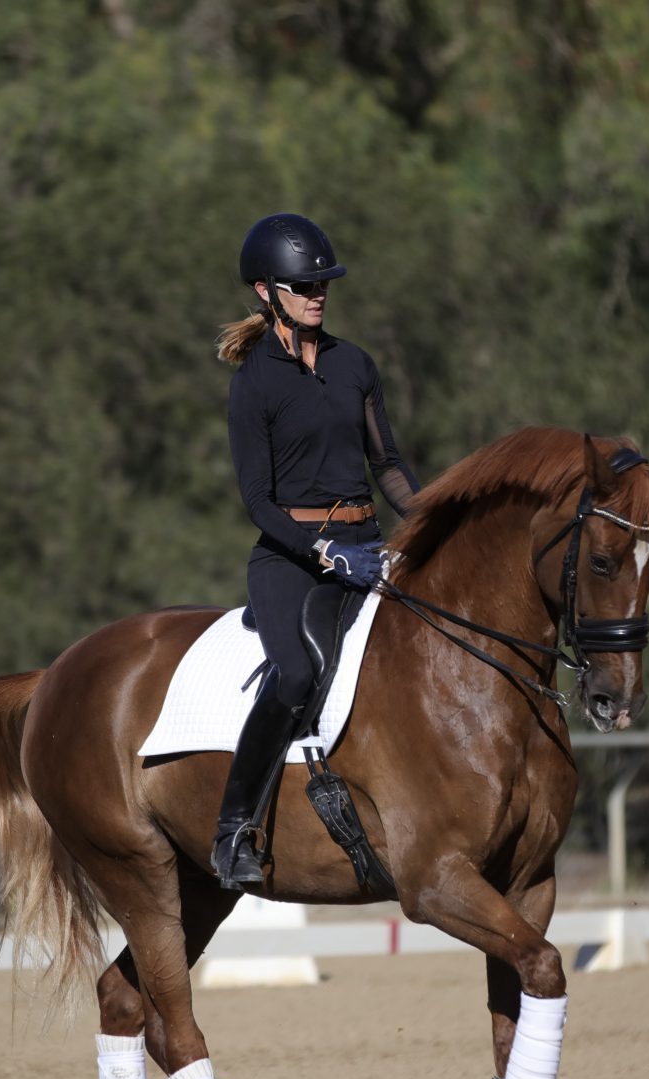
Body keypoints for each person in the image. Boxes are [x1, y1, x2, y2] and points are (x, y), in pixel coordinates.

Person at [209, 212, 422, 888]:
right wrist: (325, 551)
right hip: (290, 556)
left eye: (322, 283)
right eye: (304, 286)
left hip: (366, 541)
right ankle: (234, 825)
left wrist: (428, 518)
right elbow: (259, 503)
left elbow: (387, 463)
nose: (318, 293)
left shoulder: (353, 364)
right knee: (297, 675)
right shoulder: (253, 383)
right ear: (266, 292)